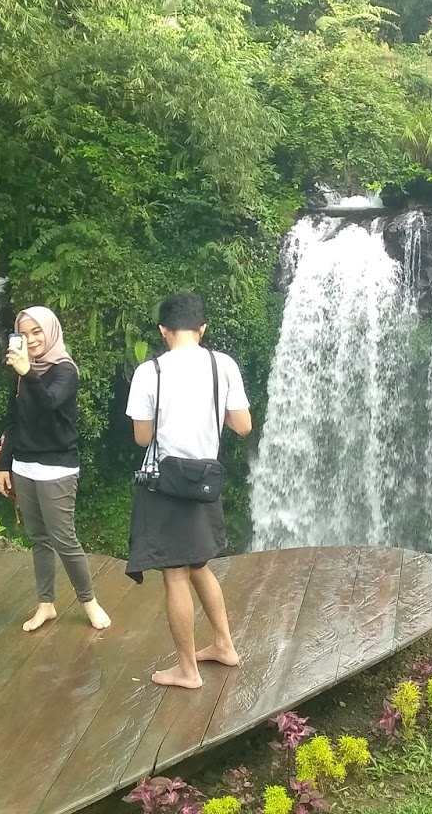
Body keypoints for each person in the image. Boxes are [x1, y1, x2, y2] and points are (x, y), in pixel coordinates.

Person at [124, 291, 252, 689]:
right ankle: (224, 645)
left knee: (176, 574)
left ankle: (187, 670)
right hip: (205, 481)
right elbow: (243, 426)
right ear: (202, 329)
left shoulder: (150, 372)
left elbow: (142, 437)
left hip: (166, 484)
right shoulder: (222, 365)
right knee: (198, 566)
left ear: (163, 330)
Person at [0, 306, 112, 634]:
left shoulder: (65, 370)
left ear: (51, 332)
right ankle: (46, 603)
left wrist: (27, 371)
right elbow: (14, 421)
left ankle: (89, 601)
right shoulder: (21, 372)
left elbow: (49, 402)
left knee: (64, 539)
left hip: (57, 468)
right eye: (24, 333)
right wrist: (4, 464)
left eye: (37, 332)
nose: (31, 340)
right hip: (23, 466)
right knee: (38, 539)